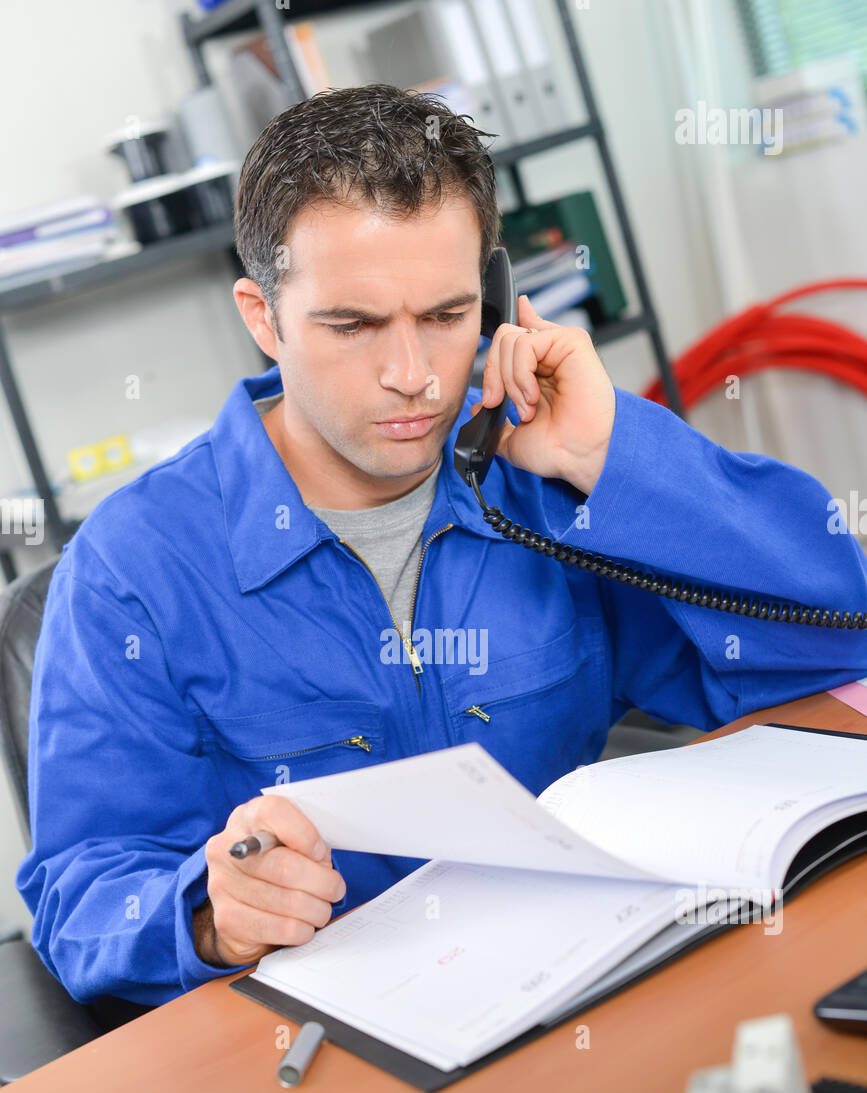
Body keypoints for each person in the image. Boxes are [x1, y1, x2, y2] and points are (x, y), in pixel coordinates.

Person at [17, 84, 867, 1007]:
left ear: (497, 302)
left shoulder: (531, 480)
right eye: (354, 325)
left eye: (445, 315)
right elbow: (80, 892)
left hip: (575, 982)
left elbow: (830, 636)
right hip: (326, 1045)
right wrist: (206, 915)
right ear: (263, 317)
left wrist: (612, 454)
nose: (413, 378)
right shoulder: (130, 568)